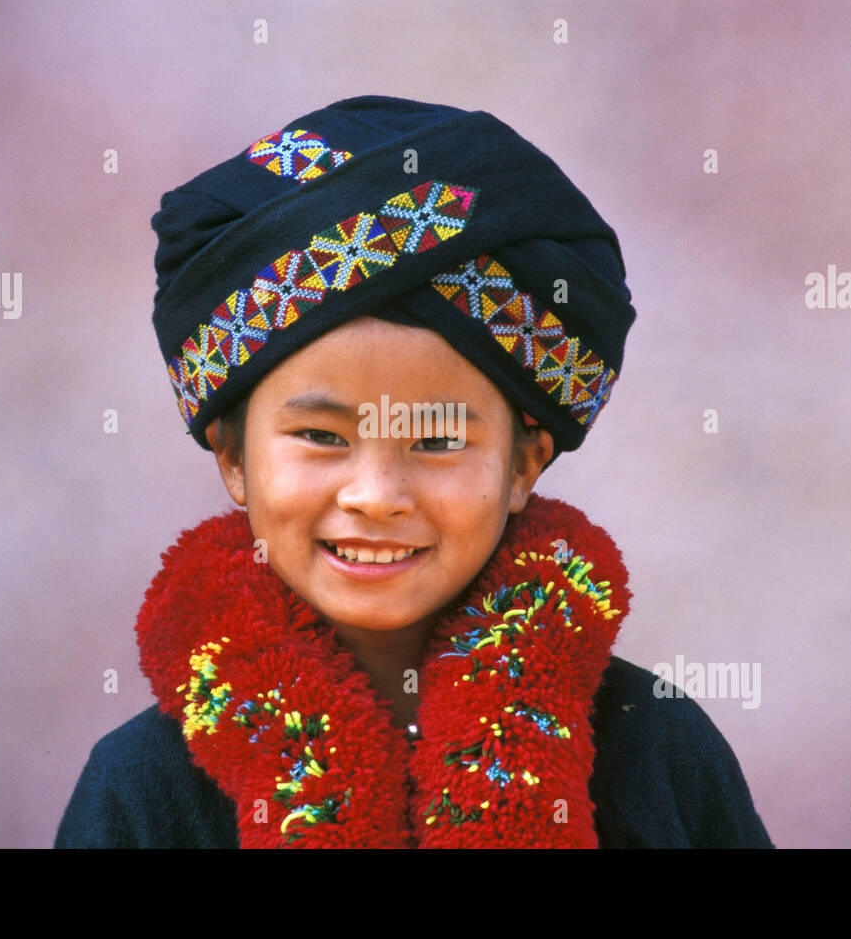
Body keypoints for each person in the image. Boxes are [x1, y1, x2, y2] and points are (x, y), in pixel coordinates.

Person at [55, 95, 774, 848]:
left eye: (434, 443)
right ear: (233, 457)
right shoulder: (141, 790)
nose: (375, 497)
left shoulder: (660, 752)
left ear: (526, 460)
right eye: (319, 436)